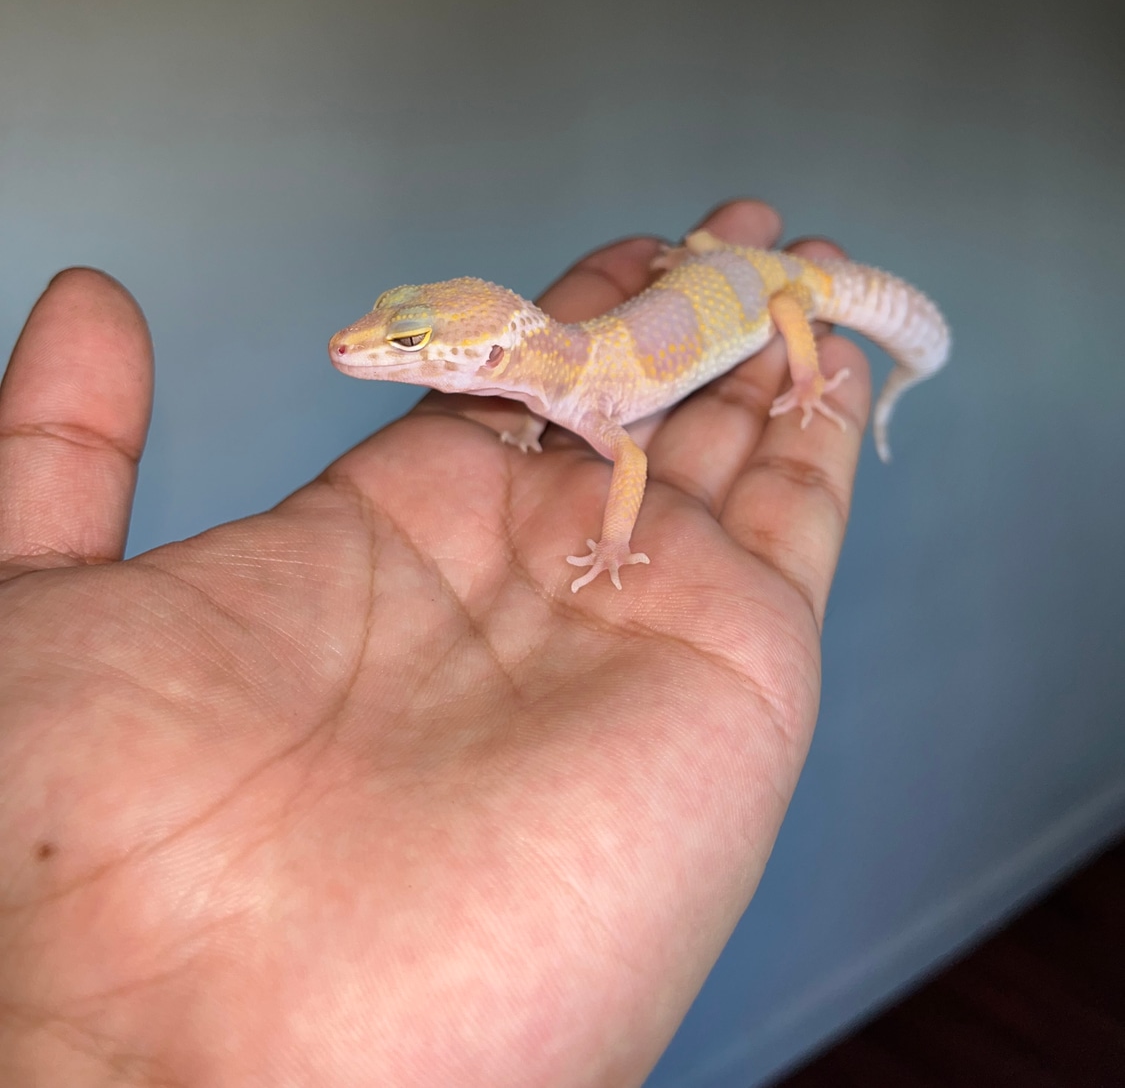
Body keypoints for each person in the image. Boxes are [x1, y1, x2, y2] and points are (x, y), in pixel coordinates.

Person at [0, 199, 868, 1088]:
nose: (361, 344)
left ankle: (762, 303)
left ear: (488, 356)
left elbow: (635, 463)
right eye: (398, 328)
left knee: (790, 296)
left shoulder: (593, 387)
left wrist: (618, 542)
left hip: (776, 293)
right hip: (704, 289)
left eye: (406, 342)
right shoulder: (544, 378)